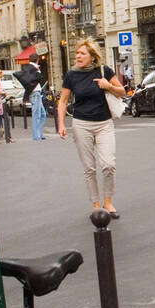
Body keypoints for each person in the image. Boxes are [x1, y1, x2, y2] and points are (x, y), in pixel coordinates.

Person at [56, 38, 125, 218]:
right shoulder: (71, 75)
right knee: (89, 168)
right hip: (81, 124)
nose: (78, 56)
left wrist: (108, 85)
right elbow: (63, 101)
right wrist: (61, 124)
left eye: (82, 53)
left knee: (109, 165)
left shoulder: (104, 71)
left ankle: (108, 202)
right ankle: (96, 204)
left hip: (104, 123)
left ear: (92, 57)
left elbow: (122, 91)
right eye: (77, 53)